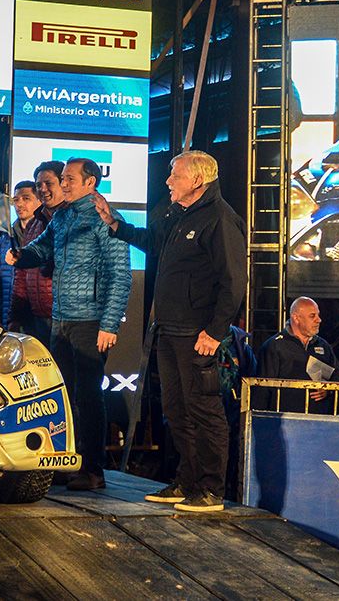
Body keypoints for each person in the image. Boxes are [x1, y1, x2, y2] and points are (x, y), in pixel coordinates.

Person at [93, 150, 246, 512]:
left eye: (174, 175)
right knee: (176, 411)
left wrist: (214, 331)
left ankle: (211, 490)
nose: (168, 181)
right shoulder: (179, 215)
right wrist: (115, 223)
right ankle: (187, 481)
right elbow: (154, 242)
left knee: (204, 411)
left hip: (198, 335)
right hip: (170, 330)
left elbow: (233, 282)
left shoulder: (220, 219)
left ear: (196, 180)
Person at [8, 159, 132, 490]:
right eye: (62, 178)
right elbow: (42, 248)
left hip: (91, 321)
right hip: (60, 319)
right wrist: (22, 256)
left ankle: (93, 470)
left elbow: (120, 275)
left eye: (69, 178)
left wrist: (109, 324)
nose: (63, 183)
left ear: (90, 182)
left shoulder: (106, 218)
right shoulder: (63, 216)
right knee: (64, 395)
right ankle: (68, 461)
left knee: (89, 396)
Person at [0, 162, 65, 346]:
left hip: (67, 318)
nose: (43, 189)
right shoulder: (33, 226)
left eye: (48, 183)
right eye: (39, 185)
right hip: (36, 317)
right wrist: (14, 316)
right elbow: (20, 278)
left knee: (68, 372)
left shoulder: (73, 219)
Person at [258, 297, 339, 415]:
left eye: (318, 315)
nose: (319, 320)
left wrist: (328, 390)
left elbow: (338, 377)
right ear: (296, 318)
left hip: (318, 422)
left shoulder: (323, 346)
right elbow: (261, 389)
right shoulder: (274, 346)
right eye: (312, 316)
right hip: (283, 422)